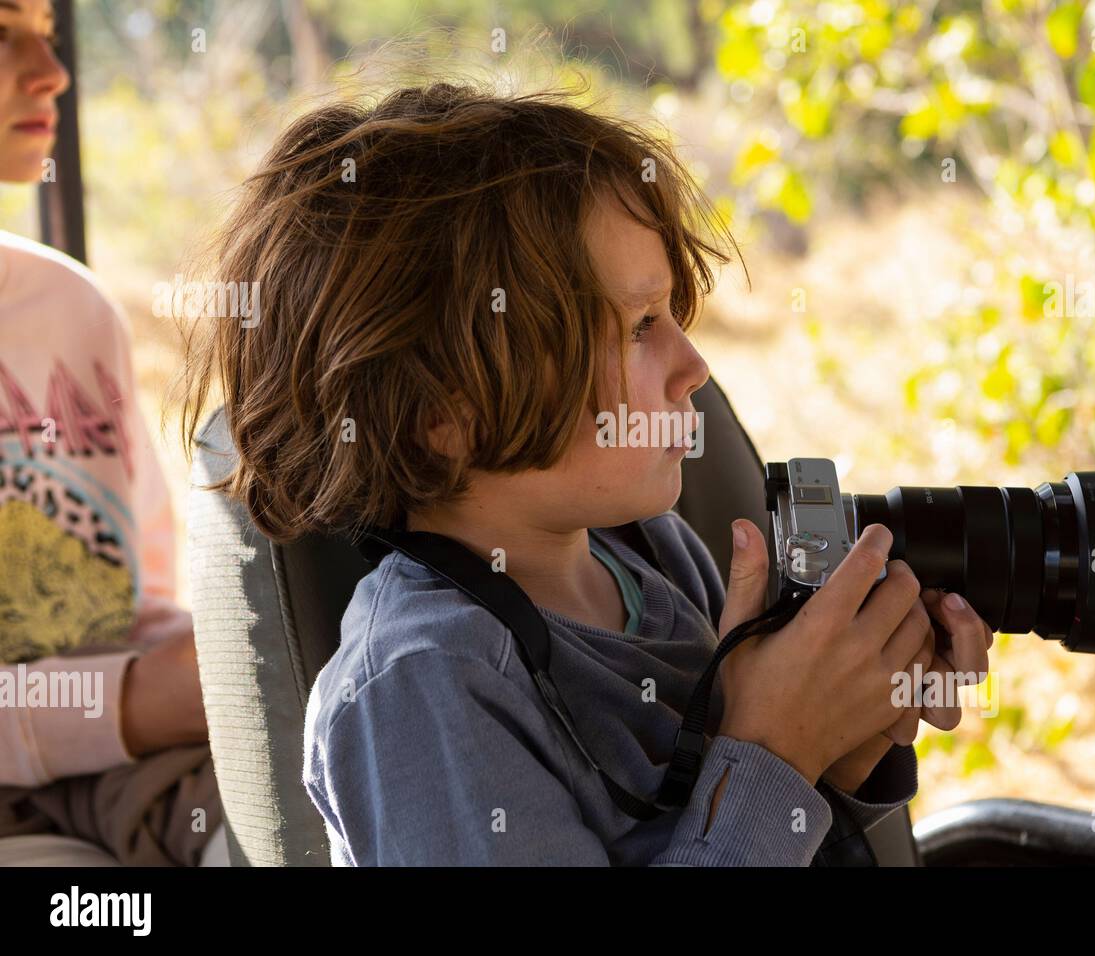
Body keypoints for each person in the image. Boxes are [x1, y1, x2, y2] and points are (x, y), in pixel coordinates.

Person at [182, 81, 994, 865]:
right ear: (446, 414)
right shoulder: (424, 688)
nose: (693, 367)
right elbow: (741, 794)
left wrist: (841, 741)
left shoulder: (653, 555)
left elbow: (732, 818)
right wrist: (774, 750)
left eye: (673, 315)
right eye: (641, 326)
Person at [0, 0, 225, 866]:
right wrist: (130, 704)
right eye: (2, 34)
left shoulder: (72, 309)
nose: (50, 72)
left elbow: (132, 604)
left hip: (127, 764)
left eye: (49, 37)